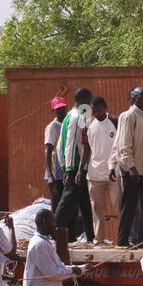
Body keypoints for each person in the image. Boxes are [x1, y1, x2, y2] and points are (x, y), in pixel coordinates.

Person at [114, 87, 143, 246]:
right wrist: (130, 167)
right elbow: (123, 144)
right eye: (141, 98)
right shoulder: (128, 116)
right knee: (129, 207)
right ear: (132, 99)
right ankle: (122, 241)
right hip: (132, 170)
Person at [53, 87, 94, 244]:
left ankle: (91, 236)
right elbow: (70, 144)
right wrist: (70, 170)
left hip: (74, 166)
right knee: (67, 202)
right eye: (89, 99)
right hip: (76, 167)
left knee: (84, 203)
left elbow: (60, 145)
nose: (91, 102)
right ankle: (55, 233)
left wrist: (64, 165)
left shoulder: (70, 115)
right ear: (83, 99)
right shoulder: (79, 117)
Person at [86, 96, 121, 244]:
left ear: (105, 108)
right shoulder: (89, 125)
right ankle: (98, 239)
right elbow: (87, 147)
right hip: (94, 174)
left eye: (99, 110)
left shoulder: (115, 121)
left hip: (114, 173)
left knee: (119, 205)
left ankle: (123, 238)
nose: (97, 114)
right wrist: (83, 169)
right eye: (94, 111)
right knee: (97, 209)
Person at [44, 97, 67, 209]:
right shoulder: (52, 127)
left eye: (63, 108)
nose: (61, 111)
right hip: (57, 173)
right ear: (53, 111)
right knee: (58, 205)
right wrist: (50, 176)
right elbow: (48, 151)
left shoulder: (68, 124)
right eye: (58, 109)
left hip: (67, 170)